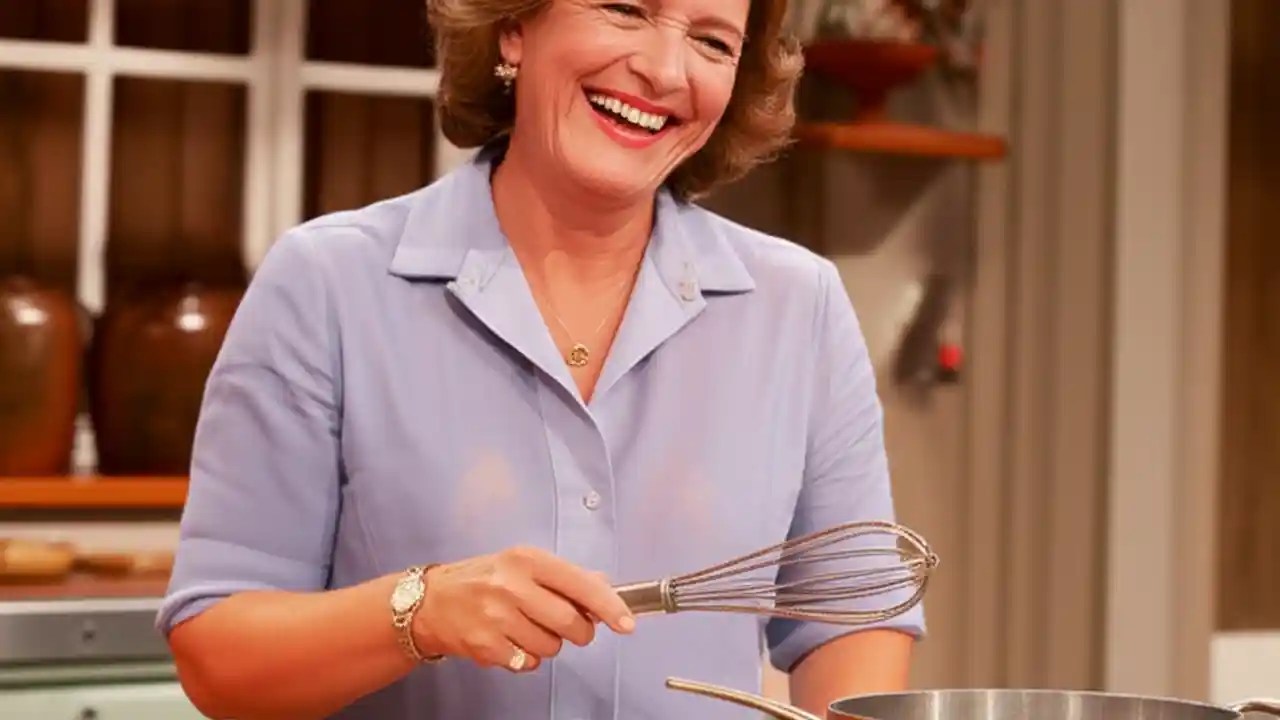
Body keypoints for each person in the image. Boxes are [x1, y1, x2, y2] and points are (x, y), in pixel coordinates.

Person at [158, 0, 926, 718]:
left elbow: (850, 620)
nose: (664, 70)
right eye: (624, 9)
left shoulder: (800, 305)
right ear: (515, 28)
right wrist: (419, 612)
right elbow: (218, 655)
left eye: (711, 42)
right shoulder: (326, 285)